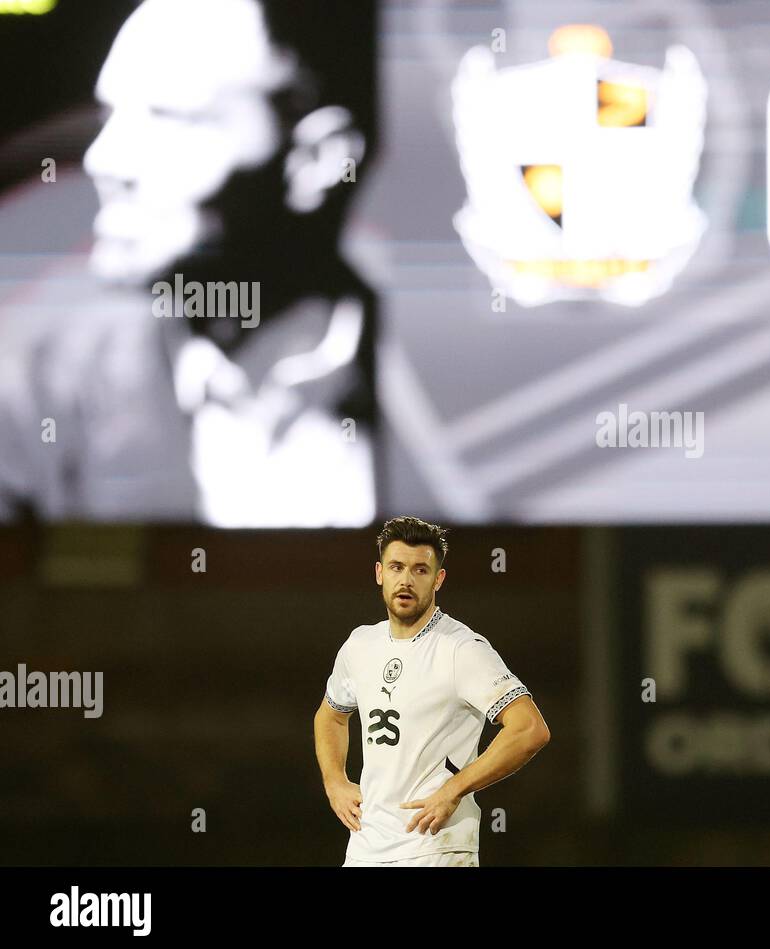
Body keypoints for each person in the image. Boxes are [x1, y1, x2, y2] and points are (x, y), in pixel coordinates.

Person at [0, 0, 381, 526]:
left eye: (168, 117)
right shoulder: (31, 395)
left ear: (318, 161)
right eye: (111, 116)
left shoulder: (445, 378)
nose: (102, 160)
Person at [313, 517, 550, 866]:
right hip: (366, 848)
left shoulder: (461, 649)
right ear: (380, 573)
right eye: (397, 567)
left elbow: (530, 729)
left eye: (420, 570)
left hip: (436, 847)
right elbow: (331, 716)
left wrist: (454, 790)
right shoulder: (360, 645)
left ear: (438, 579)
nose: (406, 580)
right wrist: (335, 781)